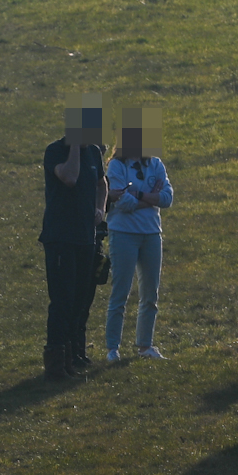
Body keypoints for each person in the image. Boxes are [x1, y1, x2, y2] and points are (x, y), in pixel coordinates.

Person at [40, 120, 106, 380]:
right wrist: (75, 148)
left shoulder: (94, 153)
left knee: (79, 300)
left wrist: (100, 208)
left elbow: (102, 183)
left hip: (85, 238)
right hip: (60, 238)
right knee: (62, 301)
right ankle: (55, 363)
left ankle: (72, 358)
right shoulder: (55, 151)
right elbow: (69, 178)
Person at [104, 140, 175, 362]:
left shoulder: (156, 165)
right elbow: (121, 202)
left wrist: (139, 195)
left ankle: (145, 345)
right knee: (120, 292)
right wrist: (150, 198)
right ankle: (112, 347)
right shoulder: (116, 166)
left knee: (150, 294)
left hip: (152, 233)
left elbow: (167, 198)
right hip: (123, 233)